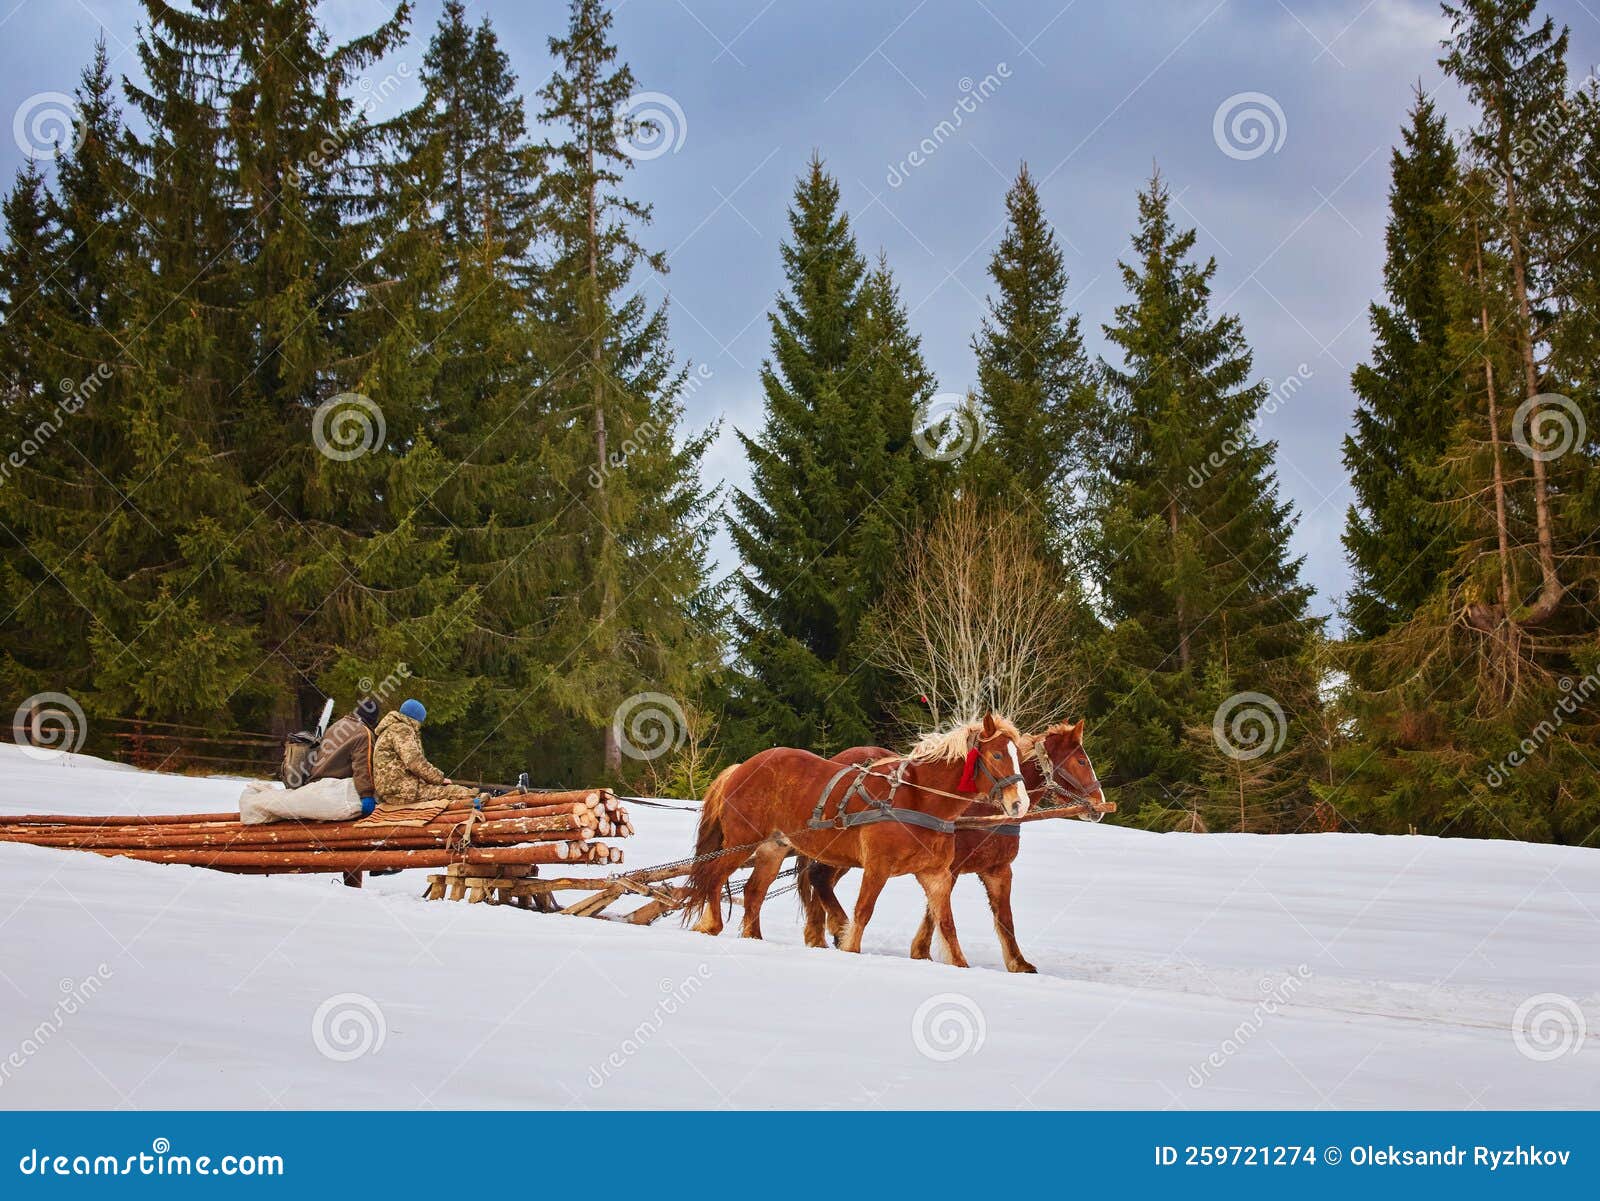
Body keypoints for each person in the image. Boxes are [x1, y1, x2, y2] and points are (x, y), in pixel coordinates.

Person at [371, 699, 480, 819]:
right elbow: (415, 762)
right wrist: (439, 778)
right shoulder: (401, 729)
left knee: (445, 790)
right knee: (454, 792)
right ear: (417, 718)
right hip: (402, 790)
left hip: (394, 788)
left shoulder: (390, 729)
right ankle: (480, 801)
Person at [306, 697, 380, 816]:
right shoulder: (364, 733)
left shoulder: (337, 725)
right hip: (335, 789)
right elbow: (362, 766)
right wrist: (366, 795)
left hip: (314, 784)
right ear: (372, 720)